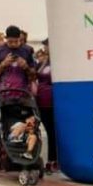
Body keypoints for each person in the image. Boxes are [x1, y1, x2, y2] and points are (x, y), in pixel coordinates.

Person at [34, 43, 57, 172]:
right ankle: (47, 159)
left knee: (53, 131)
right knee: (46, 131)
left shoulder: (59, 63)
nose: (45, 48)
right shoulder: (42, 63)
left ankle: (53, 159)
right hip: (41, 101)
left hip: (53, 101)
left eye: (47, 45)